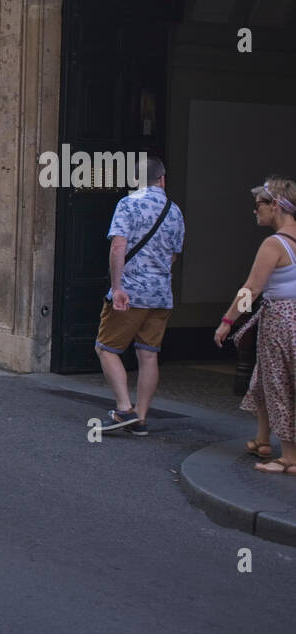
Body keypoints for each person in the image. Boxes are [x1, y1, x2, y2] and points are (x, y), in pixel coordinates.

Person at [95, 156, 184, 436]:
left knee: (106, 349)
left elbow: (118, 247)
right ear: (163, 179)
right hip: (161, 295)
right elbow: (173, 256)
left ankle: (124, 408)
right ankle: (141, 418)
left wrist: (118, 286)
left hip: (131, 292)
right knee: (148, 356)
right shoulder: (175, 211)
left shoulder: (128, 204)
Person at [217, 176, 296, 476]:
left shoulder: (273, 244)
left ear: (275, 205)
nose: (255, 211)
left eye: (259, 205)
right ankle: (264, 439)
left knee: (280, 385)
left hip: (281, 320)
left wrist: (227, 321)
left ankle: (289, 456)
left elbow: (252, 289)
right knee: (269, 380)